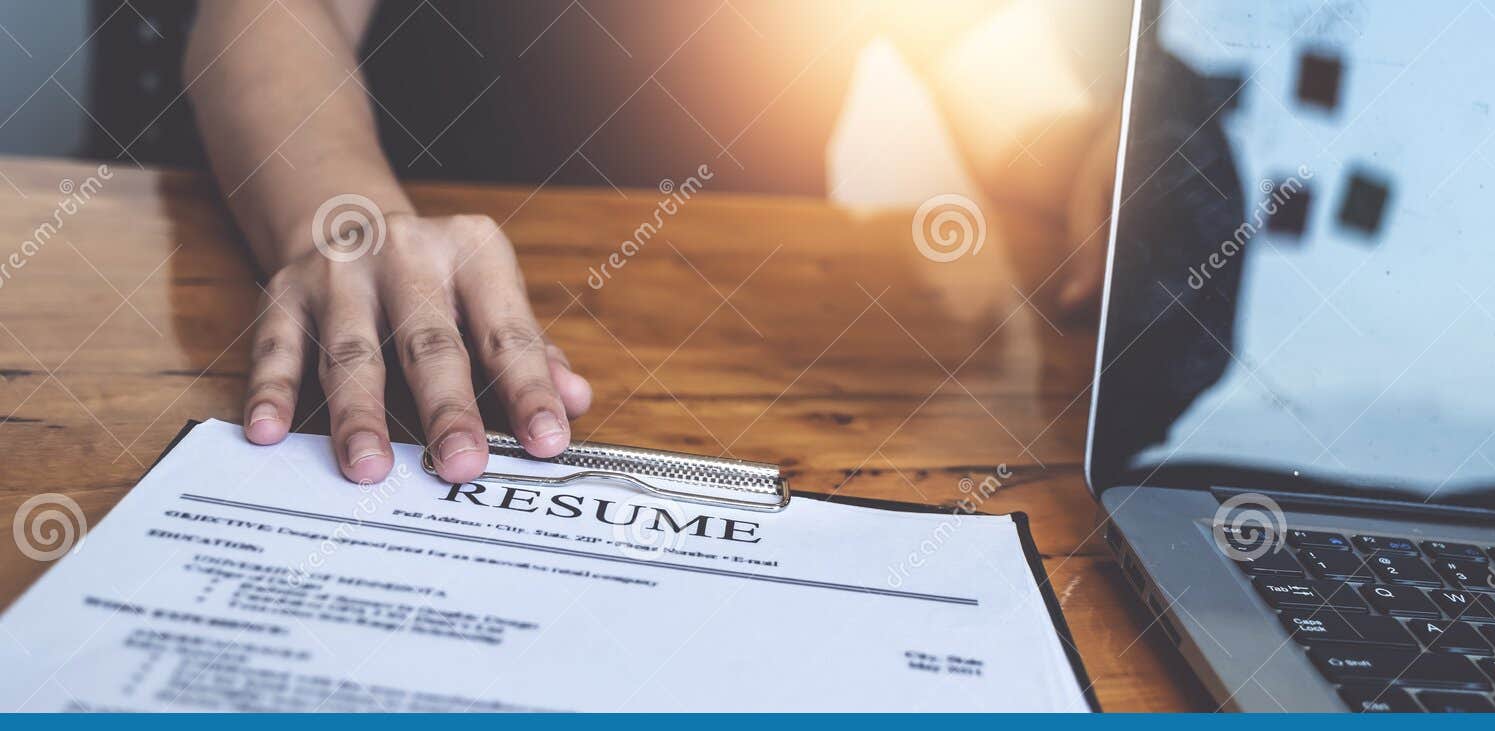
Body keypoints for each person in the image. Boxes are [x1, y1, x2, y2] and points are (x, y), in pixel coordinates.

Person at [183, 0, 1129, 484]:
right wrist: (352, 223)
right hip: (448, 317)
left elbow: (990, 62)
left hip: (764, 390)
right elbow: (263, 17)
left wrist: (1097, 155)